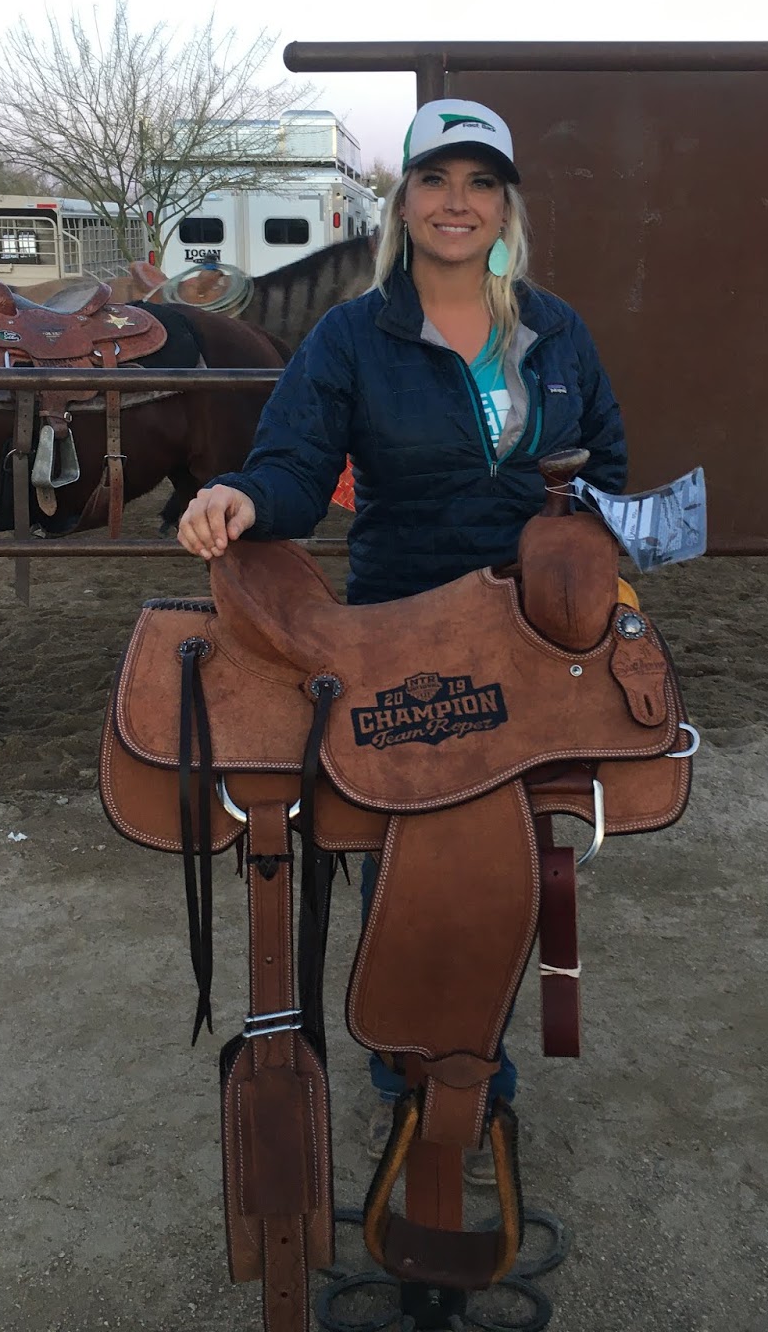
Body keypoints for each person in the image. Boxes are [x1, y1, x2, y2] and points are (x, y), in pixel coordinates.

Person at [177, 96, 627, 1177]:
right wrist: (242, 494)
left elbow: (606, 466)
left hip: (530, 625)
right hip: (400, 622)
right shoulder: (352, 336)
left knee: (509, 851)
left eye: (480, 184)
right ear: (404, 202)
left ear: (505, 207)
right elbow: (295, 464)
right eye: (435, 180)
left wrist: (590, 540)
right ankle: (413, 1075)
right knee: (407, 849)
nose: (456, 202)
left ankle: (467, 1063)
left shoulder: (558, 331)